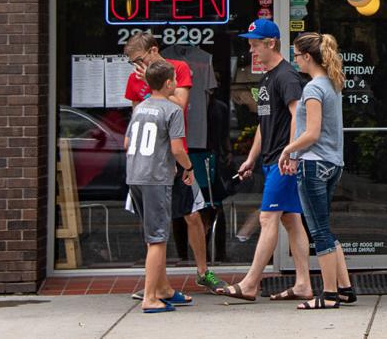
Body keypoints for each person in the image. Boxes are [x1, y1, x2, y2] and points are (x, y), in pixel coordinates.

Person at [215, 19, 313, 302]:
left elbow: (298, 115)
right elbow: (263, 123)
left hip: (283, 162)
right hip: (272, 160)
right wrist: (250, 158)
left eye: (255, 44)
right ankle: (304, 284)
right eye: (250, 44)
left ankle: (250, 284)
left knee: (267, 217)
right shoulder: (268, 77)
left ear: (271, 43)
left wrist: (292, 153)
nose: (251, 50)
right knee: (292, 222)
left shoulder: (286, 76)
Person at [124, 32, 227, 293]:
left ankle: (203, 271)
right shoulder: (135, 78)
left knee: (193, 214)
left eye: (139, 59)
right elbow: (136, 115)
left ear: (154, 51)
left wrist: (152, 85)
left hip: (176, 151)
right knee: (154, 224)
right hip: (149, 159)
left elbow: (180, 102)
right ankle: (156, 283)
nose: (137, 65)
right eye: (132, 62)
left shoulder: (178, 68)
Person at [278, 32, 355, 310]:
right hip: (333, 163)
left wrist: (288, 151)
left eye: (296, 55)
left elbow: (311, 133)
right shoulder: (332, 84)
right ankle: (345, 288)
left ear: (308, 57)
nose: (294, 60)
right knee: (325, 226)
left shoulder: (312, 89)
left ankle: (330, 294)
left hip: (314, 164)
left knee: (319, 231)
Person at [125, 60, 196, 314]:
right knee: (157, 238)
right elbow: (178, 149)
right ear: (168, 84)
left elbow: (127, 142)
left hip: (135, 175)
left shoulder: (140, 108)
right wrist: (188, 168)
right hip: (156, 177)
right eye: (175, 81)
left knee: (152, 237)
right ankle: (150, 297)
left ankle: (163, 289)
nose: (177, 85)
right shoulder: (172, 110)